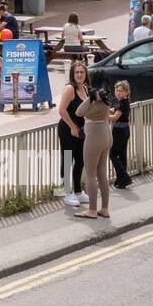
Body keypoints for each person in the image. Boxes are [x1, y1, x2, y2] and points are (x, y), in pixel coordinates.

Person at [74, 85, 113, 219]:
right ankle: (105, 209)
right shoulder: (106, 99)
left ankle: (92, 210)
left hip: (94, 136)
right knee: (102, 173)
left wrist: (90, 98)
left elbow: (78, 112)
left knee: (90, 175)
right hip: (106, 134)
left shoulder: (93, 100)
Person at [57, 62, 90, 207]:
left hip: (81, 130)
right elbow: (62, 110)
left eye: (82, 72)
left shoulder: (85, 88)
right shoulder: (70, 89)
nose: (79, 75)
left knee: (80, 160)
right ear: (72, 74)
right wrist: (72, 127)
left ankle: (77, 191)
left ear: (85, 74)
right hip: (67, 129)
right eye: (76, 72)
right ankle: (67, 192)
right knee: (68, 160)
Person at [108, 81, 133, 189]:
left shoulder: (123, 103)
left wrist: (102, 115)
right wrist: (106, 109)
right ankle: (121, 181)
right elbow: (113, 110)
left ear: (127, 92)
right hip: (125, 130)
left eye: (121, 91)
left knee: (112, 155)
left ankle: (124, 178)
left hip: (119, 131)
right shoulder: (121, 101)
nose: (118, 93)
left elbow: (114, 117)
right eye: (117, 90)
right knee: (122, 155)